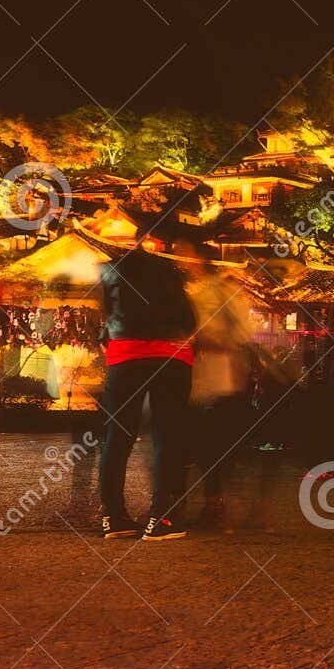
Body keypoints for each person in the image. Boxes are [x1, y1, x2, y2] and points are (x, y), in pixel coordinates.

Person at [97, 210, 198, 540]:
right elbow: (186, 320)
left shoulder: (111, 271)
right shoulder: (171, 272)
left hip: (124, 357)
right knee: (167, 436)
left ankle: (114, 516)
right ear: (164, 241)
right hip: (169, 358)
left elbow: (106, 321)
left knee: (117, 437)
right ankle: (162, 517)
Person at [185, 258, 258, 528]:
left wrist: (208, 341)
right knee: (199, 441)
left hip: (217, 377)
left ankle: (213, 502)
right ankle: (204, 502)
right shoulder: (193, 292)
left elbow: (240, 336)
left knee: (211, 442)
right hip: (197, 375)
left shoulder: (224, 294)